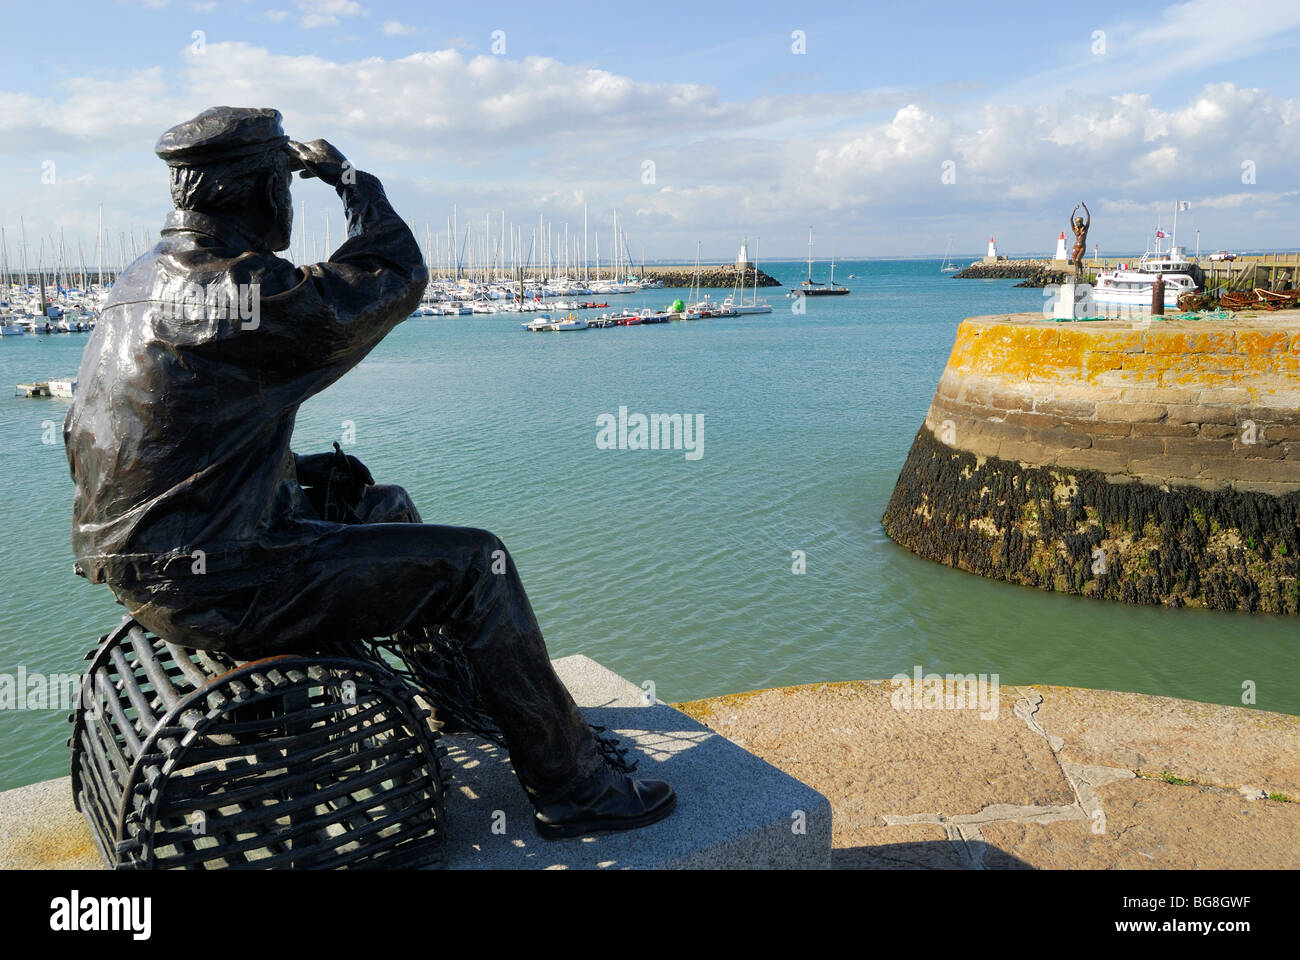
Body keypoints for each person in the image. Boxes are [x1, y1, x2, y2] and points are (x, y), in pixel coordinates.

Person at [63, 106, 675, 839]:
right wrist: (354, 183)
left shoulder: (141, 277)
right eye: (285, 182)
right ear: (261, 189)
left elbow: (132, 438)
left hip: (148, 571)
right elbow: (391, 277)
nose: (291, 198)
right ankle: (575, 790)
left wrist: (285, 477)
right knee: (480, 563)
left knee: (378, 501)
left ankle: (466, 700)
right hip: (223, 585)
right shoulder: (240, 289)